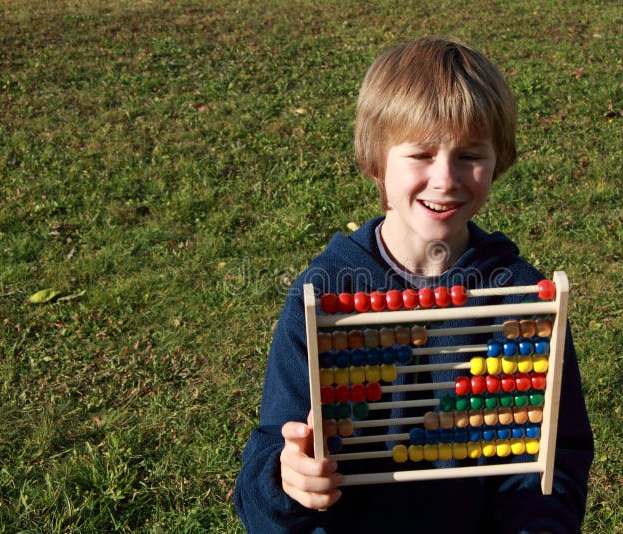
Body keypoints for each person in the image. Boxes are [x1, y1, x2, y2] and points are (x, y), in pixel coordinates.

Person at [234, 36, 593, 533]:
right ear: (376, 160)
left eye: (470, 154)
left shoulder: (525, 302)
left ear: (499, 159)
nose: (445, 179)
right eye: (421, 154)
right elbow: (269, 467)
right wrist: (287, 482)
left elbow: (556, 460)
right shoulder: (325, 296)